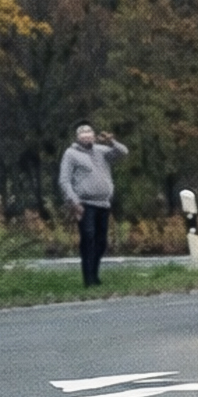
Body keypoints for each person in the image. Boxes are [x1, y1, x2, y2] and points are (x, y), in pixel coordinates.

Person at [58, 122, 128, 286]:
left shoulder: (102, 151)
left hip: (103, 204)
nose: (86, 136)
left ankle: (95, 274)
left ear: (94, 135)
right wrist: (74, 201)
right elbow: (64, 180)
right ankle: (88, 278)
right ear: (77, 137)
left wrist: (111, 141)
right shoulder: (71, 154)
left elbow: (123, 153)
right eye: (82, 134)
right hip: (84, 204)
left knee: (101, 242)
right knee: (88, 238)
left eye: (89, 133)